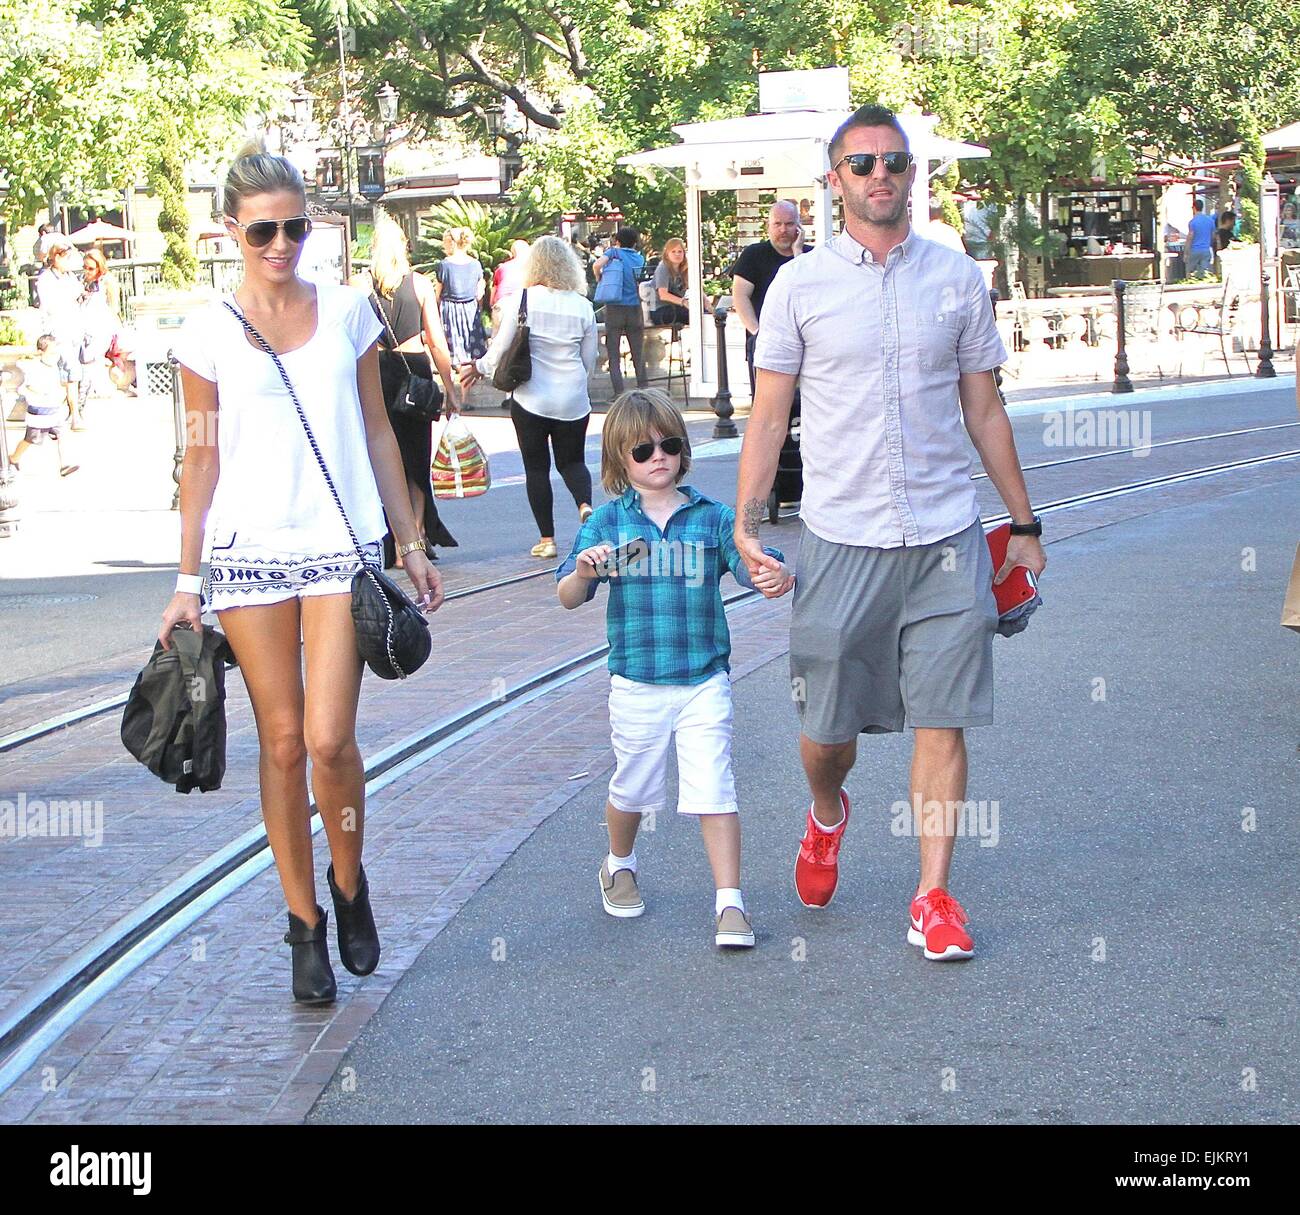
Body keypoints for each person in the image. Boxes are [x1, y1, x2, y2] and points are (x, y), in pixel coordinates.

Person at [735, 103, 1046, 963]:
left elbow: (984, 408)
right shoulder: (797, 286)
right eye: (863, 164)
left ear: (915, 176)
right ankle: (827, 813)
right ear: (835, 182)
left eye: (896, 163)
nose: (882, 176)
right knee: (826, 730)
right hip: (842, 538)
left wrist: (1022, 522)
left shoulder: (957, 277)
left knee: (942, 719)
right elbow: (768, 419)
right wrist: (748, 522)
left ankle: (932, 894)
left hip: (947, 535)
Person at [162, 139, 442, 1006]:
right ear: (230, 232)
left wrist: (411, 538)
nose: (282, 245)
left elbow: (376, 429)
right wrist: (186, 576)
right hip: (248, 554)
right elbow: (198, 458)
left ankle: (350, 879)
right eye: (263, 232)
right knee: (281, 743)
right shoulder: (205, 332)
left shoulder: (352, 311)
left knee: (329, 739)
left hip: (337, 546)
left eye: (295, 227)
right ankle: (304, 922)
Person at [556, 388, 792, 948]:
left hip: (704, 679)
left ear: (684, 452)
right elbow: (566, 594)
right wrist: (587, 572)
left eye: (669, 445)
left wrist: (771, 572)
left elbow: (750, 558)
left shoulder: (712, 518)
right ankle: (619, 862)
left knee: (714, 784)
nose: (657, 456)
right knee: (634, 787)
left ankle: (729, 903)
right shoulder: (609, 523)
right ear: (620, 461)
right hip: (635, 679)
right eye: (642, 450)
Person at [461, 235, 597, 560]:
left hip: (532, 397)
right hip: (573, 400)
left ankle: (547, 539)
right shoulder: (583, 306)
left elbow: (501, 347)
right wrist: (575, 384)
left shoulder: (524, 299)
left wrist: (478, 368)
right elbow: (588, 361)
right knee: (573, 462)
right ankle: (585, 505)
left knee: (536, 469)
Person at [365, 212, 459, 568]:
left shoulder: (360, 286)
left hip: (376, 373)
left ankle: (393, 537)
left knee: (384, 458)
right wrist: (450, 387)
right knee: (417, 460)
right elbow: (436, 340)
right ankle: (415, 539)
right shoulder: (419, 285)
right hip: (414, 372)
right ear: (403, 247)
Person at [731, 200, 812, 393]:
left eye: (789, 223)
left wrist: (797, 253)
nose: (783, 229)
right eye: (777, 224)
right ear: (768, 226)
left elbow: (807, 290)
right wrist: (757, 332)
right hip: (767, 347)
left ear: (799, 226)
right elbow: (740, 295)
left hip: (807, 345)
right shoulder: (753, 255)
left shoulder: (810, 256)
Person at [8, 335, 79, 477]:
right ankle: (13, 458)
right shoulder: (34, 367)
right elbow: (27, 386)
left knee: (62, 434)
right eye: (52, 353)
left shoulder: (56, 367)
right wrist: (43, 392)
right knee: (31, 439)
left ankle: (64, 464)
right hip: (39, 412)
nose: (55, 356)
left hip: (54, 410)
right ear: (41, 352)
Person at [35, 240, 87, 430]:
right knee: (69, 373)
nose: (68, 262)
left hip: (74, 329)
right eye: (66, 258)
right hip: (58, 330)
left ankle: (66, 415)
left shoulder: (70, 277)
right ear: (56, 257)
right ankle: (74, 416)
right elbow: (49, 306)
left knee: (69, 374)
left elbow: (78, 293)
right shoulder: (46, 279)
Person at [593, 226, 648, 395]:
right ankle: (643, 387)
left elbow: (596, 265)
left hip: (615, 306)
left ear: (617, 240)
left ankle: (619, 392)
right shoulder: (640, 258)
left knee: (614, 351)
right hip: (634, 307)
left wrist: (600, 278)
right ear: (635, 242)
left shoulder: (613, 253)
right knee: (637, 351)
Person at [435, 227, 487, 366]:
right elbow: (480, 291)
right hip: (470, 308)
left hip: (450, 310)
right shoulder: (475, 264)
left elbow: (438, 293)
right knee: (471, 347)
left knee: (453, 345)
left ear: (451, 242)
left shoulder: (444, 265)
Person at [78, 248, 122, 409]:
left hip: (102, 326)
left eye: (91, 268)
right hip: (86, 327)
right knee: (86, 360)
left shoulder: (107, 281)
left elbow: (114, 306)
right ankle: (87, 394)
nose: (87, 271)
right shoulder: (84, 282)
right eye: (85, 267)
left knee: (92, 359)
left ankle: (85, 397)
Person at [491, 238, 531, 330]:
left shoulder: (502, 268)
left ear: (512, 253)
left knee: (497, 339)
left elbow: (492, 297)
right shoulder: (531, 269)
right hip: (520, 308)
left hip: (501, 305)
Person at [650, 237, 689, 327]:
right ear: (667, 254)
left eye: (680, 251)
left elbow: (697, 289)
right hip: (660, 309)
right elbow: (663, 295)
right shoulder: (663, 267)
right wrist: (684, 302)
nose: (677, 254)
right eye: (673, 251)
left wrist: (709, 306)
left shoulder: (684, 269)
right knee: (692, 315)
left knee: (702, 313)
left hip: (676, 307)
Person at [1185, 198, 1216, 277]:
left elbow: (1190, 238)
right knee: (1204, 274)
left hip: (1194, 251)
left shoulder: (1193, 222)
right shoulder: (1210, 220)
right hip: (1206, 250)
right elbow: (1213, 236)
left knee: (1191, 273)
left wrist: (1186, 252)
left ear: (1194, 208)